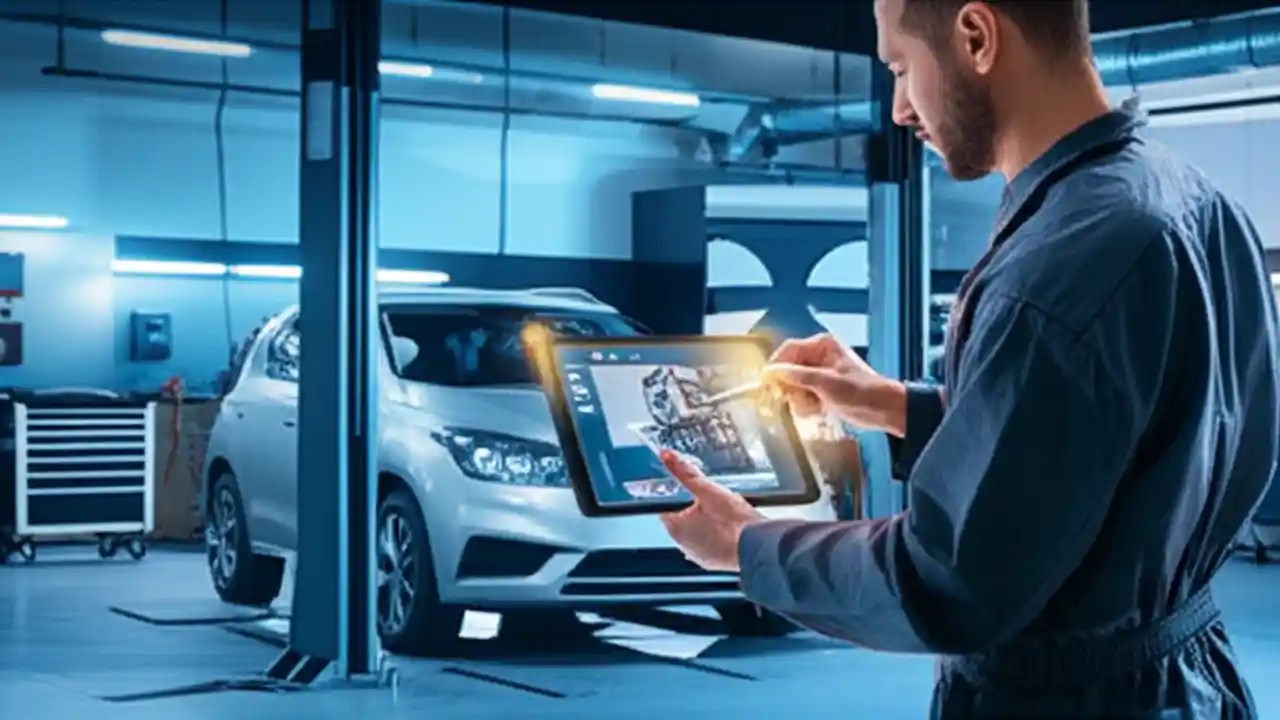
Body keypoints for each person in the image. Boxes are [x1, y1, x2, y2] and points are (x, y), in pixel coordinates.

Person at [656, 0, 1280, 717]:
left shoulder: (1057, 266)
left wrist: (747, 547)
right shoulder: (1196, 205)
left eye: (899, 67)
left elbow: (950, 580)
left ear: (977, 38)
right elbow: (1096, 447)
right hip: (1189, 685)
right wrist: (890, 405)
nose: (897, 108)